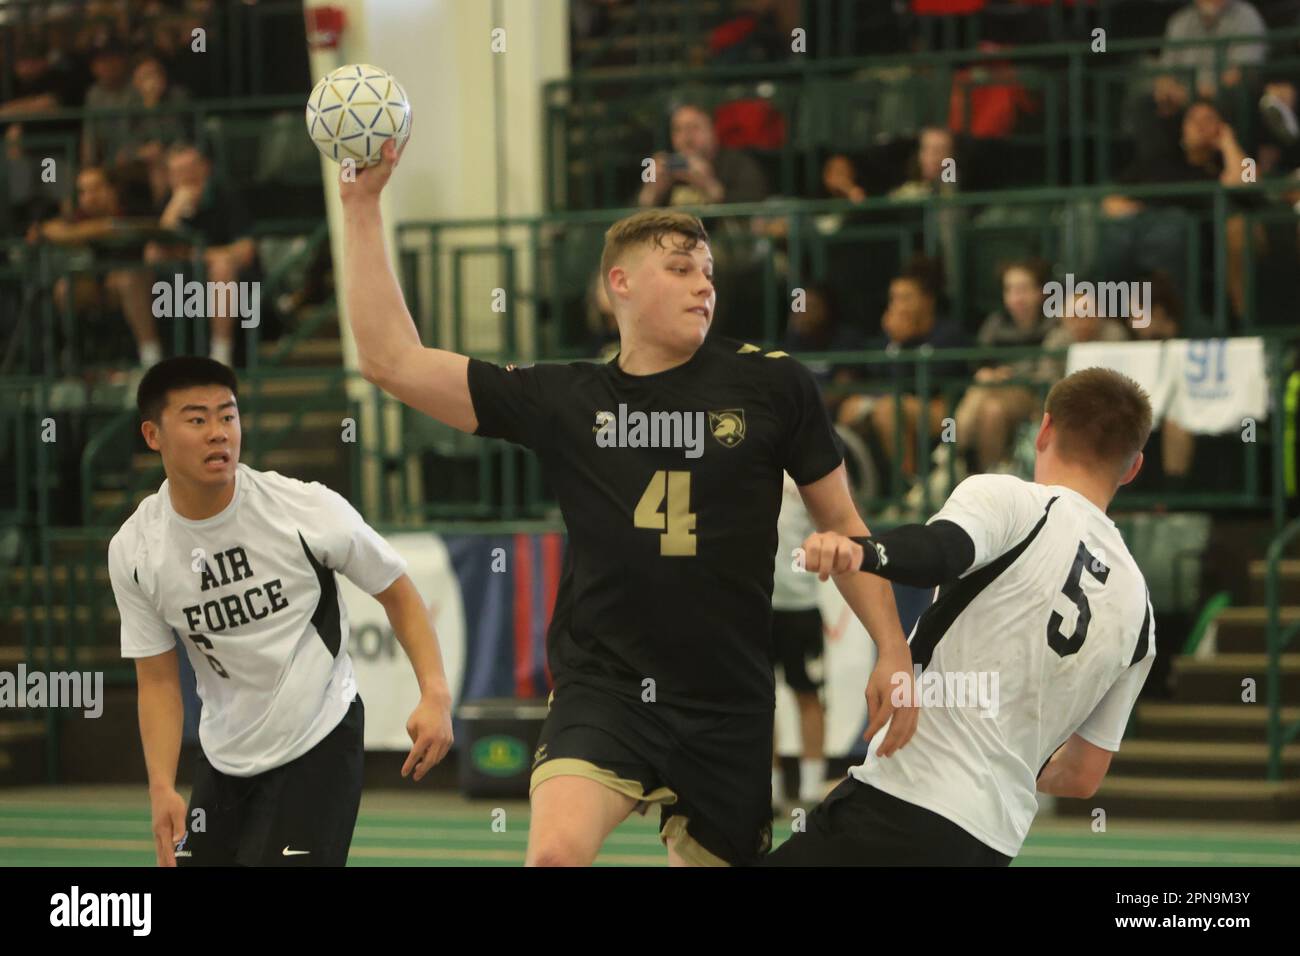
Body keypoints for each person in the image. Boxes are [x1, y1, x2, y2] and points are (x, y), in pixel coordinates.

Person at [340, 140, 918, 867]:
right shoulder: (568, 397)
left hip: (727, 702)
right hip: (605, 686)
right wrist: (361, 208)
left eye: (707, 272)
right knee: (553, 856)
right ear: (620, 282)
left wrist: (892, 651)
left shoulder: (774, 386)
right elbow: (392, 361)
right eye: (679, 269)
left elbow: (845, 528)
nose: (703, 285)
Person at [766, 366, 1157, 865]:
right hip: (989, 843)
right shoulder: (1139, 611)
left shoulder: (1013, 500)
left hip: (902, 802)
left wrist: (862, 551)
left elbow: (940, 551)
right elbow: (1082, 777)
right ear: (1133, 467)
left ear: (1043, 430)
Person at [108, 357, 455, 867]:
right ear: (153, 435)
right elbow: (158, 681)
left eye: (228, 416)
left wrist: (435, 693)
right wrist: (161, 785)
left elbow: (396, 589)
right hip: (225, 756)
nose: (218, 434)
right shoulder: (136, 551)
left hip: (319, 736)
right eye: (197, 419)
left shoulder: (303, 509)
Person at [145, 143, 260, 366]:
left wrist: (199, 256)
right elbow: (152, 255)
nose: (185, 178)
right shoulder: (167, 204)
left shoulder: (225, 196)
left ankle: (221, 355)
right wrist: (174, 210)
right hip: (173, 290)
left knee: (222, 266)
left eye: (190, 169)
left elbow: (246, 250)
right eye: (178, 173)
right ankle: (149, 358)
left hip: (228, 284)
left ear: (205, 168)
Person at [770, 472, 827, 808]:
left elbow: (840, 519)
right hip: (758, 601)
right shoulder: (748, 454)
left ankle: (810, 790)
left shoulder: (810, 465)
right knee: (760, 697)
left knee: (808, 693)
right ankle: (768, 790)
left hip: (801, 604)